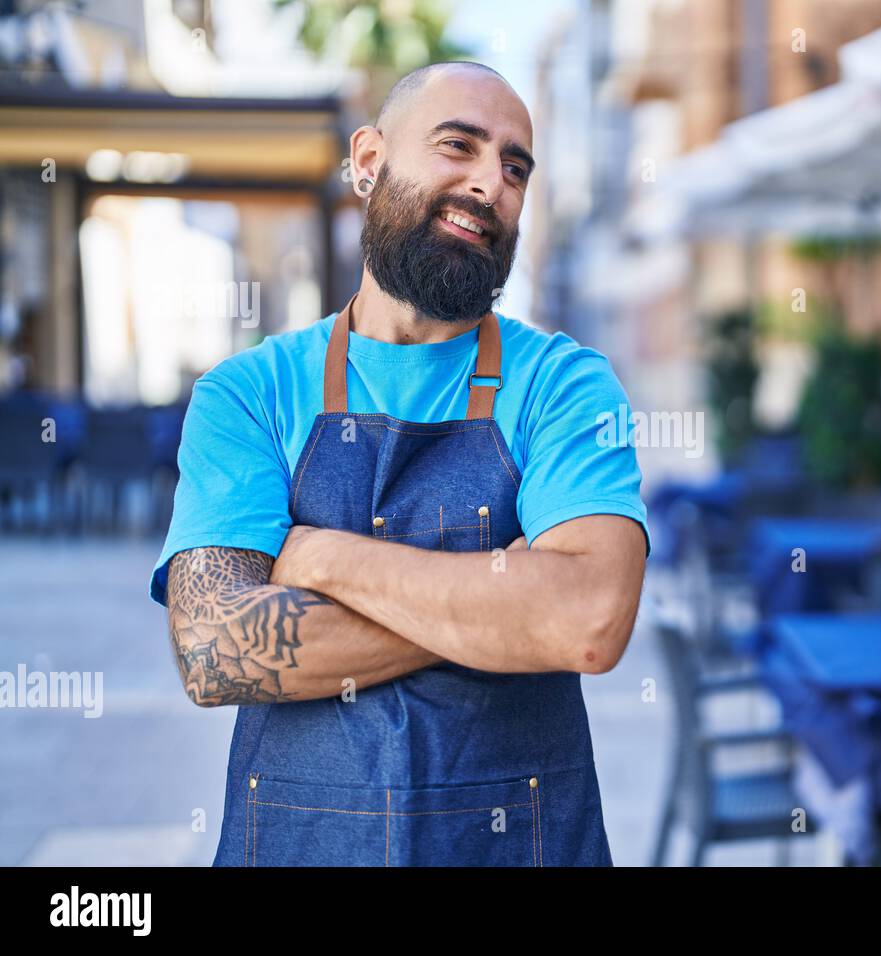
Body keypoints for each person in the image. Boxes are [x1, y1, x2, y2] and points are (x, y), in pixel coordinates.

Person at [148, 60, 649, 867]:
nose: (491, 183)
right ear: (371, 161)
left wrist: (323, 556)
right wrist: (503, 602)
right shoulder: (249, 392)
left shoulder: (564, 382)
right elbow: (213, 650)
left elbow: (587, 621)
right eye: (460, 146)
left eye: (515, 168)